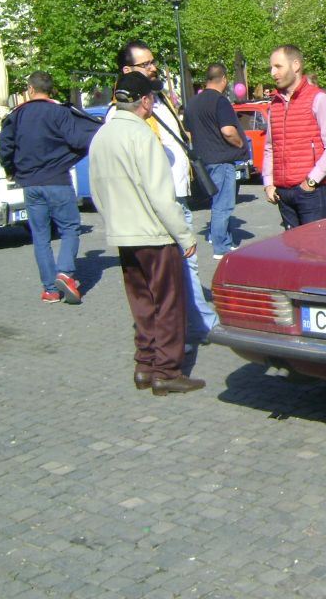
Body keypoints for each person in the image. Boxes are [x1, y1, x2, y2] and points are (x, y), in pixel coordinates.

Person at [89, 72, 204, 395]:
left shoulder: (102, 135)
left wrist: (113, 220)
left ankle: (145, 364)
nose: (153, 102)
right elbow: (160, 196)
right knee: (167, 303)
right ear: (144, 101)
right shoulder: (143, 137)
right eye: (151, 97)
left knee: (141, 303)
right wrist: (185, 236)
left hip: (123, 232)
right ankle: (166, 371)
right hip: (154, 233)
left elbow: (97, 189)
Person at [116, 40, 216, 370]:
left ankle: (188, 330)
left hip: (175, 196)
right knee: (163, 282)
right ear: (128, 71)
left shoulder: (156, 100)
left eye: (153, 62)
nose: (153, 68)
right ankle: (185, 337)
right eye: (145, 64)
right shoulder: (126, 112)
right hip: (156, 206)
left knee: (183, 271)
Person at [0, 71, 99, 303]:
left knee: (40, 236)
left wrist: (11, 170)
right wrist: (68, 158)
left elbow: (6, 147)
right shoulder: (60, 112)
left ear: (30, 89)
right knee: (70, 228)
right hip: (57, 179)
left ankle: (49, 289)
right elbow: (78, 139)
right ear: (50, 89)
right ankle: (65, 271)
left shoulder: (17, 115)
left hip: (31, 184)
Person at [264, 45, 326, 229]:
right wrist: (268, 183)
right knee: (292, 252)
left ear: (296, 65)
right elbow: (270, 146)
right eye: (271, 68)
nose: (273, 72)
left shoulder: (318, 99)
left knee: (314, 252)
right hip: (282, 192)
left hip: (310, 192)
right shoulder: (275, 103)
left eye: (278, 66)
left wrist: (311, 181)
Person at [182, 63, 247, 259]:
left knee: (217, 201)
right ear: (224, 79)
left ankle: (219, 236)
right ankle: (221, 246)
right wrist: (239, 144)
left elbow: (186, 130)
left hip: (203, 160)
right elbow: (228, 131)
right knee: (223, 204)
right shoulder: (220, 101)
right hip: (221, 158)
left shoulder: (192, 103)